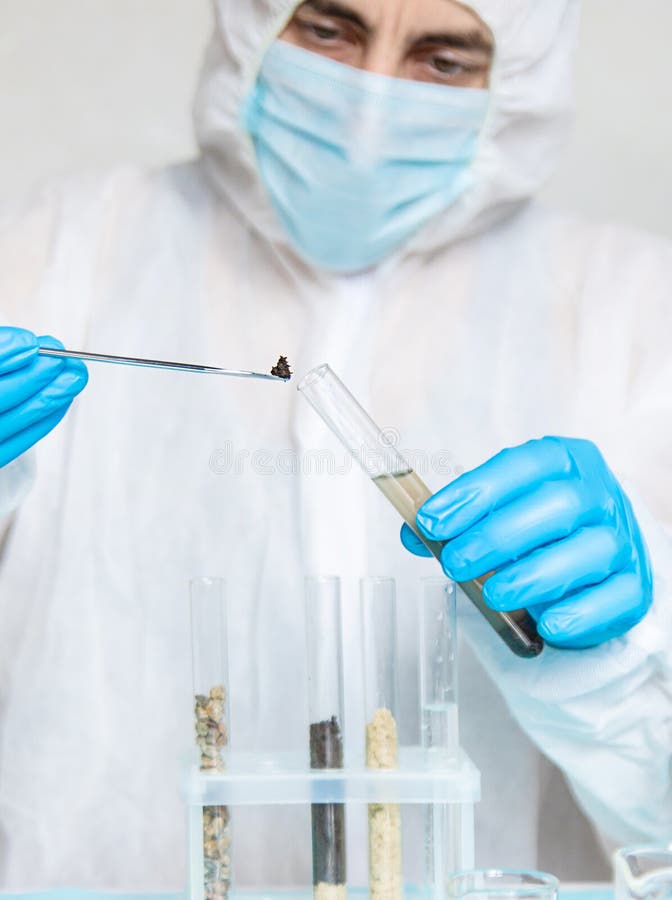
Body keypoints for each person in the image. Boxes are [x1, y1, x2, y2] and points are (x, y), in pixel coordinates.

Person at [0, 0, 670, 888]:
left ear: (514, 79)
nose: (368, 104)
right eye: (328, 31)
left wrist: (610, 675)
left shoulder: (632, 308)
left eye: (442, 60)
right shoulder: (60, 247)